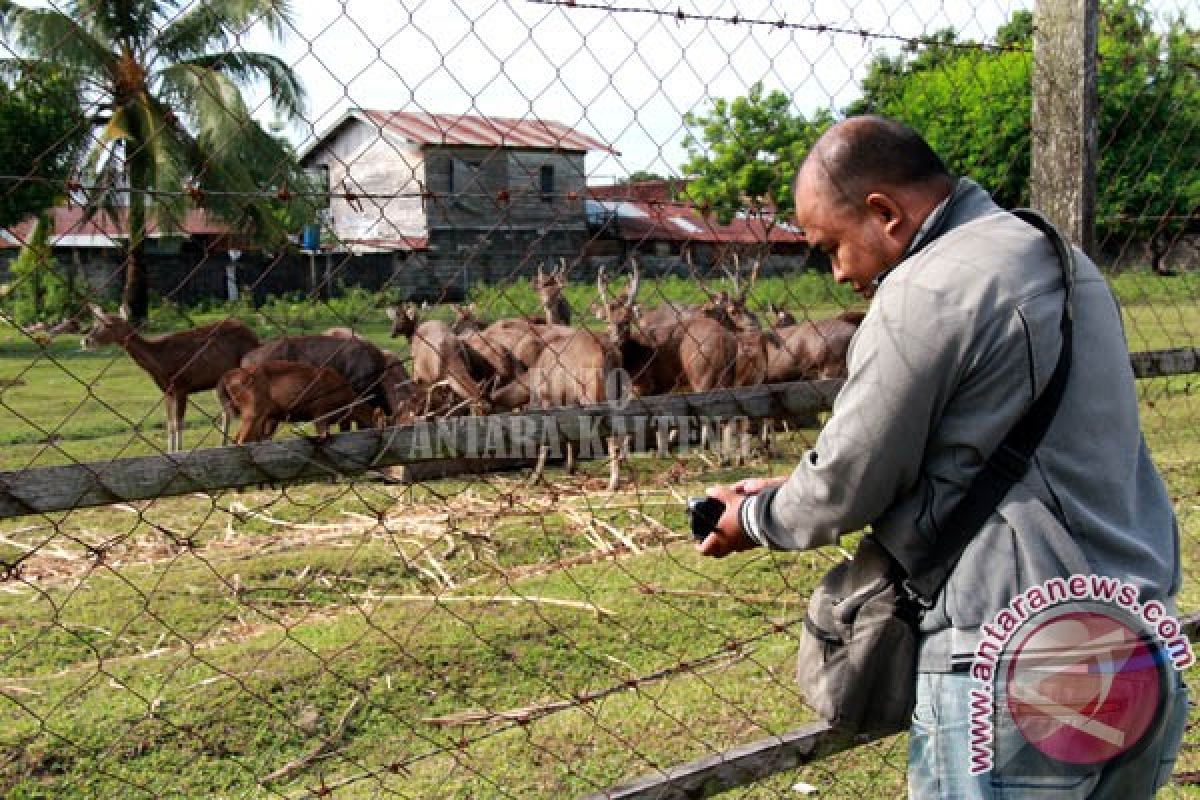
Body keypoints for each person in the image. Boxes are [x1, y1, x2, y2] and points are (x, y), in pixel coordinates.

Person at [697, 115, 1188, 798]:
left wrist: (753, 518)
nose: (837, 272)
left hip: (1020, 663)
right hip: (1139, 642)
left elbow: (846, 481)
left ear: (885, 214)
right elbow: (998, 444)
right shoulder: (1058, 256)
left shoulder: (925, 290)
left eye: (832, 246)